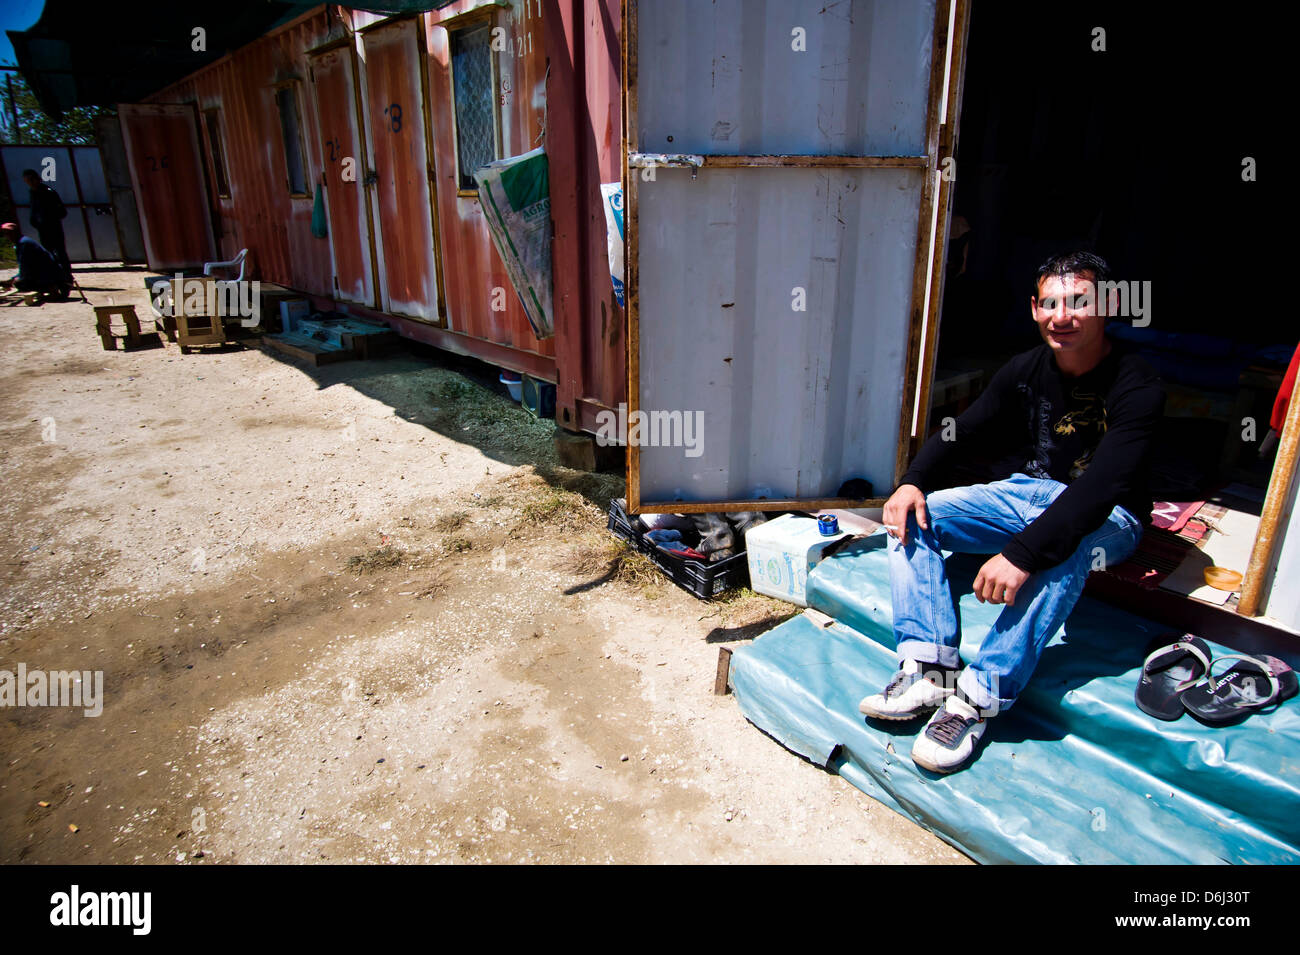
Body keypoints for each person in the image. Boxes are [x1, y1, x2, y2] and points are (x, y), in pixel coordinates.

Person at [857, 251, 1165, 773]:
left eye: (1078, 303)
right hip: (1028, 489)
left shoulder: (1139, 384)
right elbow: (964, 428)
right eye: (1049, 303)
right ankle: (931, 666)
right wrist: (912, 482)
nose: (1060, 316)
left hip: (1110, 513)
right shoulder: (1027, 367)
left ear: (1109, 305)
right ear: (1033, 307)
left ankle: (978, 697)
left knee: (1069, 549)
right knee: (914, 516)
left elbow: (1101, 488)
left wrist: (1022, 553)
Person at [23, 168, 72, 281]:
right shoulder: (33, 193)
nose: (30, 183)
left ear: (37, 179)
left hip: (53, 227)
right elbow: (34, 211)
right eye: (27, 181)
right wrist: (36, 222)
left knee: (60, 252)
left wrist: (50, 220)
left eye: (31, 180)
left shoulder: (48, 192)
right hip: (42, 229)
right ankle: (55, 276)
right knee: (48, 253)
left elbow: (61, 211)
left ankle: (66, 276)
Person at [0, 222, 71, 300]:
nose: (7, 236)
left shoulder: (23, 244)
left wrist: (17, 279)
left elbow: (25, 266)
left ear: (16, 232)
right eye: (6, 233)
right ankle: (53, 286)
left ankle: (51, 287)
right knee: (19, 281)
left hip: (48, 274)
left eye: (9, 233)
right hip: (50, 272)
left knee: (20, 284)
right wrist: (15, 277)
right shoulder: (23, 241)